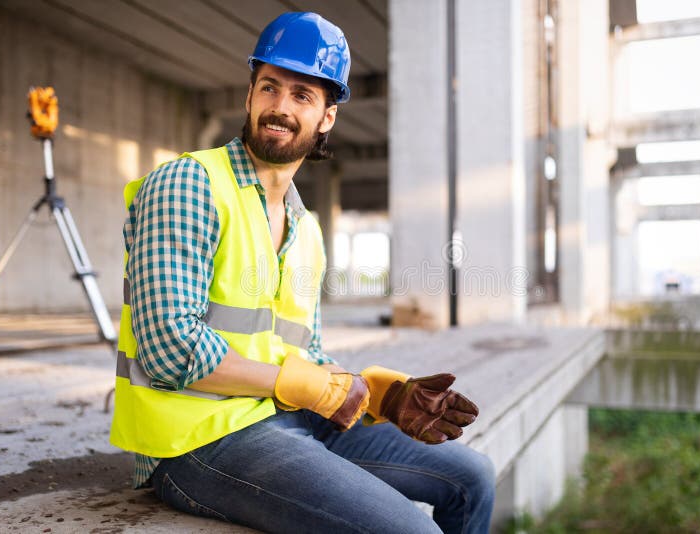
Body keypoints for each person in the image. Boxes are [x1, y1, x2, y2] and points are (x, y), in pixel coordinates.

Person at [109, 12, 495, 533]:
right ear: (249, 95)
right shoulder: (190, 184)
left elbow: (301, 354)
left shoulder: (306, 228)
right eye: (270, 87)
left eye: (302, 95)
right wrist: (300, 386)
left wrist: (372, 394)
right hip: (198, 441)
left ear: (327, 118)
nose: (280, 107)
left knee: (473, 477)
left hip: (283, 416)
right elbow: (167, 349)